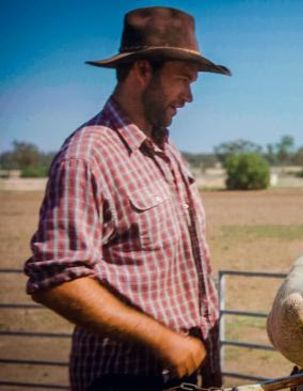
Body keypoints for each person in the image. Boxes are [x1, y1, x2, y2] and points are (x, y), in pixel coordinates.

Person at [23, 7, 231, 390]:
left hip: (183, 377)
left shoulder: (166, 153)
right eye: (182, 79)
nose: (189, 96)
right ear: (142, 71)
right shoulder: (88, 155)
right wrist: (162, 339)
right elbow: (55, 277)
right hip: (123, 379)